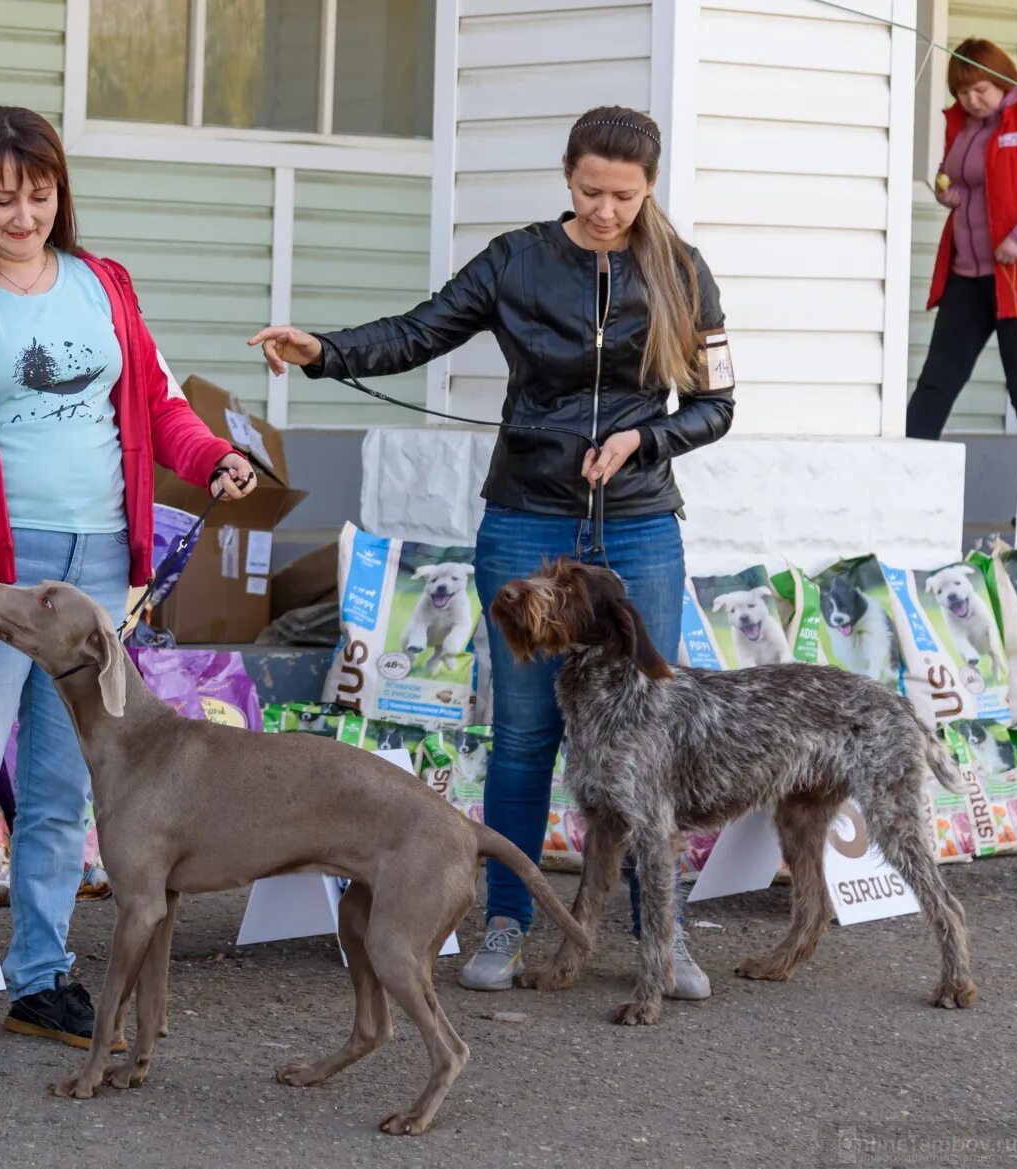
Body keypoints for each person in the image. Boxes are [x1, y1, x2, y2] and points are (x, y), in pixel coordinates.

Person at [249, 106, 734, 995]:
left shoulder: (683, 271)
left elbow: (717, 405)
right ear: (566, 176)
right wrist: (323, 350)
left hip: (637, 523)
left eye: (624, 195)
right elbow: (419, 330)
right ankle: (508, 918)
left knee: (649, 737)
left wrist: (643, 443)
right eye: (590, 191)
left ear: (650, 186)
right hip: (526, 517)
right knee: (522, 736)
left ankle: (662, 929)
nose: (605, 210)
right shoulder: (516, 259)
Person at [0, 106, 256, 1071]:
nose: (23, 215)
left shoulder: (105, 285)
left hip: (98, 567)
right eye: (2, 196)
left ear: (60, 191)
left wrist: (212, 458)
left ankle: (42, 973)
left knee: (63, 784)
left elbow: (158, 405)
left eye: (40, 194)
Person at [909, 38, 1017, 439]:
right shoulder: (960, 125)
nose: (971, 100)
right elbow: (970, 184)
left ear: (1003, 80)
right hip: (967, 275)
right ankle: (901, 479)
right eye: (962, 92)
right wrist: (948, 193)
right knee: (936, 381)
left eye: (980, 89)